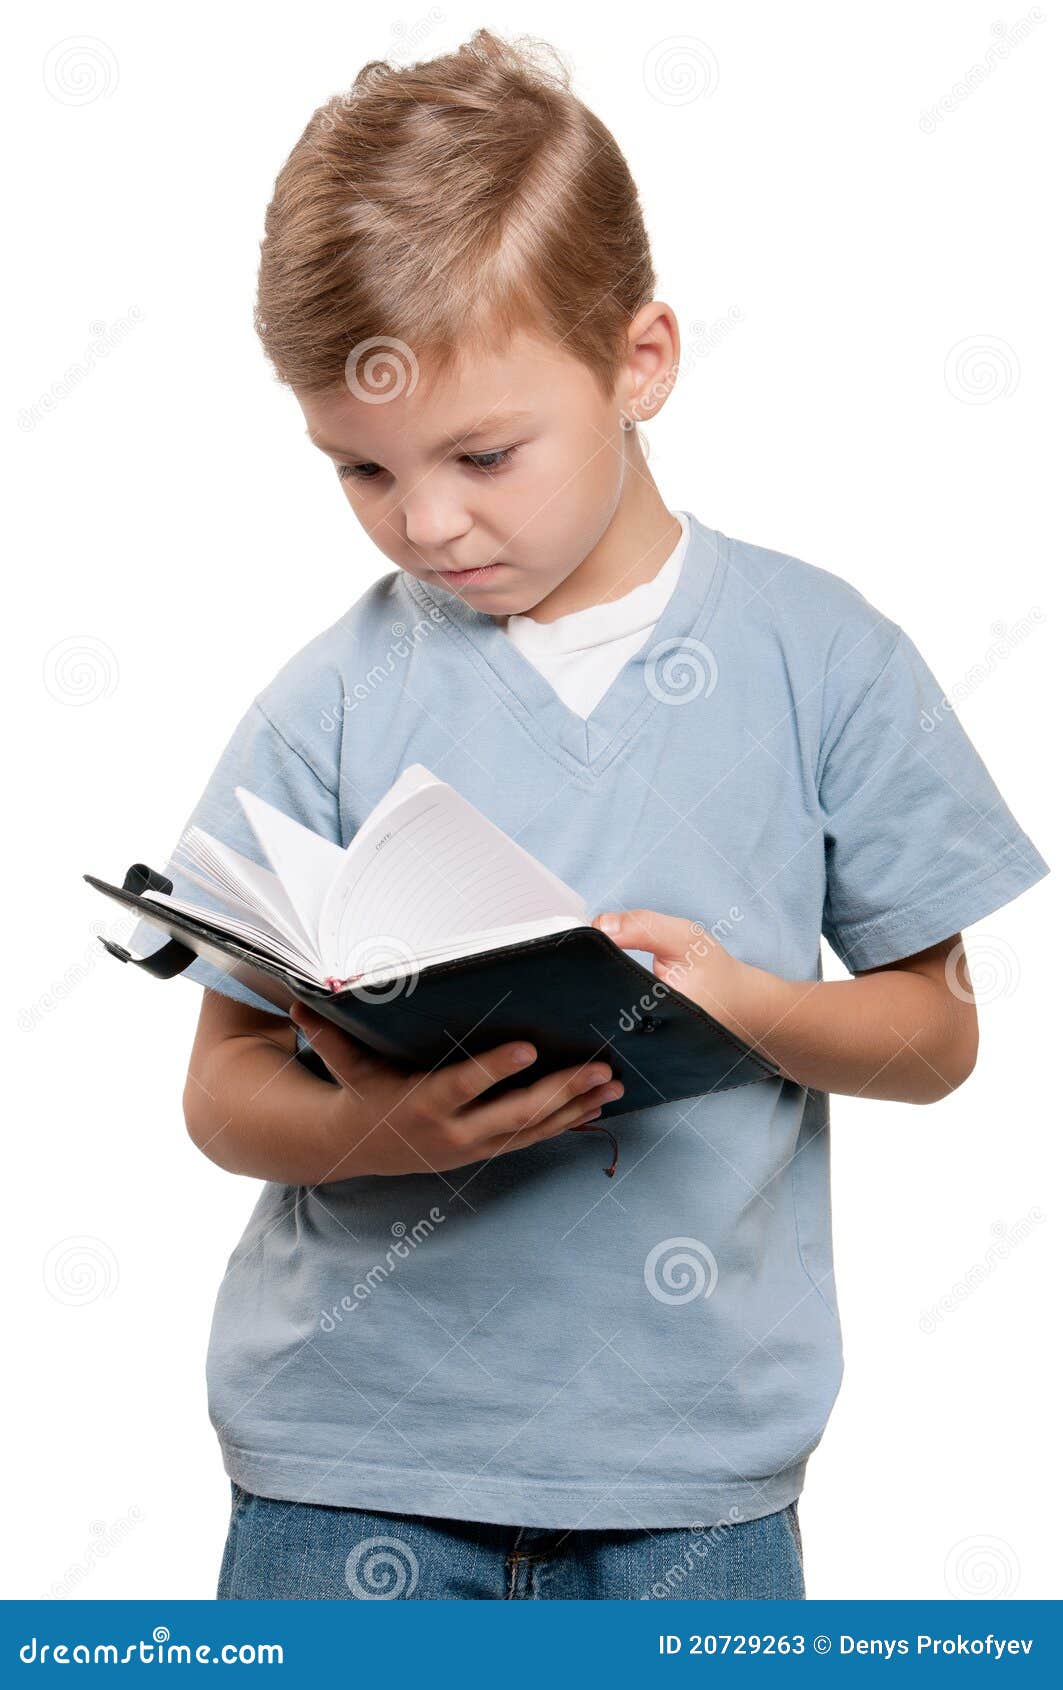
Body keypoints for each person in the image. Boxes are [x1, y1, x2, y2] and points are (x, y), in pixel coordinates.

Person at [132, 30, 1048, 1600]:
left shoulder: (822, 657)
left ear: (641, 360)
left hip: (694, 1483)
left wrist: (744, 1005)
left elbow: (938, 1034)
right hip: (346, 1467)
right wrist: (383, 1126)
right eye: (359, 467)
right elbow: (220, 1092)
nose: (425, 521)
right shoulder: (332, 695)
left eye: (483, 454)